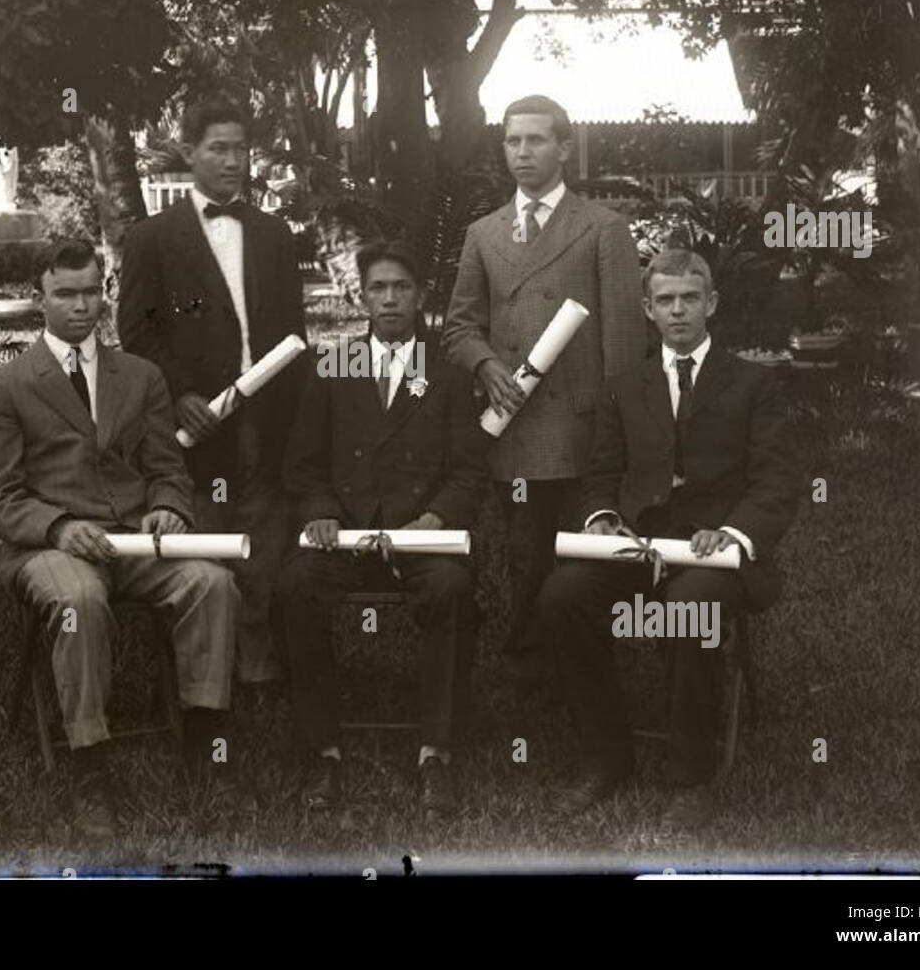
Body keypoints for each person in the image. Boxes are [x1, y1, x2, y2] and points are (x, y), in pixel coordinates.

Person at [0, 238, 240, 838]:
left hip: (136, 541)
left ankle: (203, 741)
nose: (80, 305)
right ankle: (89, 765)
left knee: (213, 583)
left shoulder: (141, 376)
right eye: (65, 294)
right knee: (80, 602)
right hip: (47, 547)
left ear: (106, 293)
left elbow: (169, 469)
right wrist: (60, 526)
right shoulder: (6, 386)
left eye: (92, 291)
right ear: (37, 298)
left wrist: (169, 507)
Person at [537, 248, 798, 832]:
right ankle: (606, 755)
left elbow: (777, 481)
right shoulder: (625, 386)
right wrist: (602, 515)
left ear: (712, 304)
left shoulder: (754, 383)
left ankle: (690, 775)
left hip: (714, 554)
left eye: (689, 299)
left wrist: (730, 532)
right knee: (562, 599)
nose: (677, 311)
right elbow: (601, 472)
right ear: (647, 310)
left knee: (690, 607)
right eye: (665, 300)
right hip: (638, 545)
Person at [278, 242, 487, 816]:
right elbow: (301, 464)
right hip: (342, 535)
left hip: (420, 537)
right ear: (360, 296)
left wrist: (436, 518)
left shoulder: (444, 374)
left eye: (401, 287)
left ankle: (435, 753)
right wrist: (320, 510)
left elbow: (470, 472)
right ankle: (322, 749)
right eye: (377, 288)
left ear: (420, 295)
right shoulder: (333, 364)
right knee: (296, 587)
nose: (389, 298)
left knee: (451, 590)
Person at [443, 94, 647, 681]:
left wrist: (616, 434)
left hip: (583, 427)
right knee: (524, 553)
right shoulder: (482, 233)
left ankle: (584, 669)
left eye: (536, 140)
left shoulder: (603, 228)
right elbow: (460, 326)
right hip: (514, 426)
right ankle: (530, 671)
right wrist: (484, 365)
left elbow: (626, 344)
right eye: (513, 140)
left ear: (564, 147)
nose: (523, 152)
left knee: (580, 554)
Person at [118, 98, 306, 688]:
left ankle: (260, 661)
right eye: (218, 148)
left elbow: (295, 330)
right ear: (190, 152)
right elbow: (136, 330)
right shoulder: (152, 237)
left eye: (241, 149)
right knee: (205, 527)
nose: (232, 160)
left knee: (266, 531)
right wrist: (179, 395)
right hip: (195, 417)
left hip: (266, 406)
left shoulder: (274, 234)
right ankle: (203, 668)